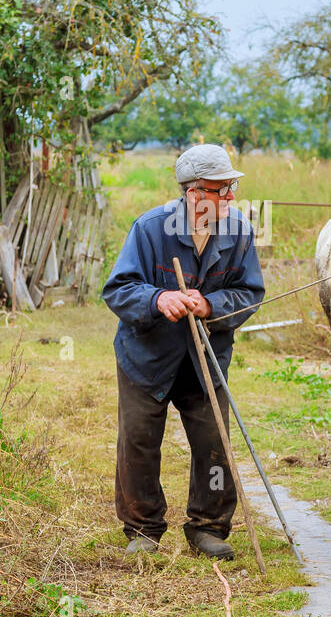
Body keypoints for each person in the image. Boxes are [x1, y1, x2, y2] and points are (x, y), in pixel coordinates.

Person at [101, 144, 265, 559]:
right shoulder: (150, 229)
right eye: (221, 190)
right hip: (147, 355)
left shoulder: (239, 231)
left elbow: (249, 293)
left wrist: (211, 305)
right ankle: (144, 529)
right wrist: (158, 300)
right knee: (139, 440)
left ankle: (208, 528)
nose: (230, 197)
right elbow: (119, 289)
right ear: (193, 193)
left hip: (204, 356)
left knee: (213, 441)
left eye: (231, 188)